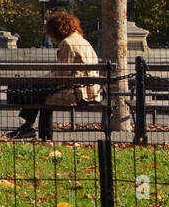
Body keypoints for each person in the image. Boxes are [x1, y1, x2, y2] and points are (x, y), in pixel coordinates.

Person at [6, 10, 102, 141]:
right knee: (40, 91)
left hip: (76, 93)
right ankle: (28, 127)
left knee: (41, 95)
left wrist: (42, 79)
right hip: (90, 91)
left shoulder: (67, 43)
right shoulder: (83, 41)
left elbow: (61, 74)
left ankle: (40, 134)